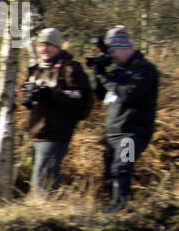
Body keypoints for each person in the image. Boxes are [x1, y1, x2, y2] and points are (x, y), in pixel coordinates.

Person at [87, 26, 160, 211]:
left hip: (132, 133)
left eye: (113, 52)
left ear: (124, 48)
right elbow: (100, 93)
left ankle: (120, 209)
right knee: (110, 172)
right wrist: (98, 71)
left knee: (122, 167)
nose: (112, 57)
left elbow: (128, 94)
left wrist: (105, 77)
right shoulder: (119, 71)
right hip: (113, 133)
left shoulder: (144, 69)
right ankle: (114, 207)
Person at [20, 27, 91, 198]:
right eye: (41, 45)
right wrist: (28, 93)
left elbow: (82, 96)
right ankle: (54, 208)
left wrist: (52, 94)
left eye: (49, 45)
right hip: (36, 132)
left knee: (42, 180)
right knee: (43, 179)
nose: (44, 49)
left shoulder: (70, 68)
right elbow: (26, 94)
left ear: (58, 47)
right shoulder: (36, 68)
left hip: (56, 132)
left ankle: (47, 212)